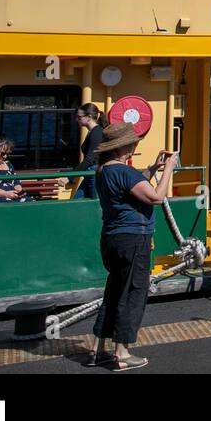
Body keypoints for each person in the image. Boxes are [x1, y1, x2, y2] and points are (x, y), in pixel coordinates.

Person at [88, 121, 177, 371]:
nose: (135, 146)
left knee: (114, 292)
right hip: (133, 240)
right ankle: (122, 353)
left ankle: (97, 349)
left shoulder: (103, 170)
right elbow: (156, 197)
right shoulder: (125, 172)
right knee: (133, 293)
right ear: (123, 147)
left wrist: (151, 169)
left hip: (112, 238)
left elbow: (131, 188)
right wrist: (168, 168)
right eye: (133, 143)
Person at [73, 103, 104, 199]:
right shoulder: (92, 132)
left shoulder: (97, 133)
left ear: (89, 117)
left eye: (79, 117)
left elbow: (89, 159)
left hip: (94, 174)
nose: (77, 119)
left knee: (94, 204)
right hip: (89, 174)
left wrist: (70, 176)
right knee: (76, 202)